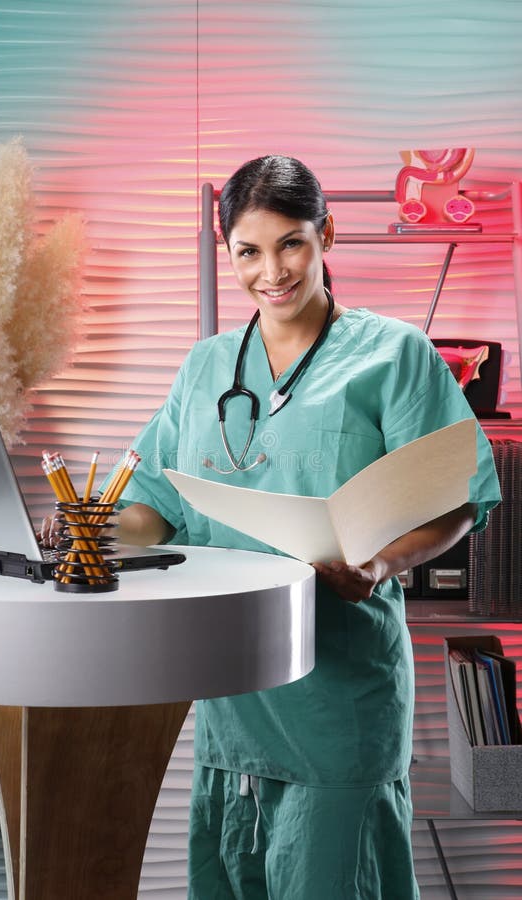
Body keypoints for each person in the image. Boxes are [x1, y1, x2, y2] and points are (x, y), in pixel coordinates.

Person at [43, 155, 501, 899]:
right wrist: (84, 530)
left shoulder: (394, 355)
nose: (272, 271)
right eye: (248, 252)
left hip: (340, 694)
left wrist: (381, 567)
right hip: (232, 690)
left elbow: (453, 501)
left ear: (327, 231)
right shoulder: (205, 368)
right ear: (229, 255)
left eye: (291, 242)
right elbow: (154, 509)